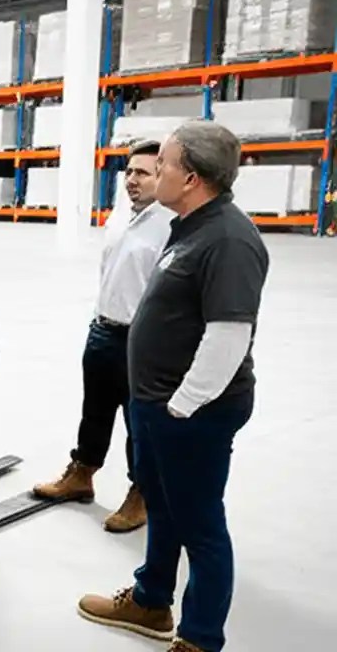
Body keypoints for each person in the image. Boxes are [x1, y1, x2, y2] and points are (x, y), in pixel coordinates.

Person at [78, 121, 269, 652]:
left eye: (161, 163)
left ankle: (200, 637)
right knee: (162, 508)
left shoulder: (229, 239)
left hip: (193, 413)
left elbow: (228, 338)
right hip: (156, 405)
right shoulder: (188, 224)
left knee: (202, 527)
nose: (151, 172)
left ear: (190, 177)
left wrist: (182, 407)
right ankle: (150, 600)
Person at [33, 140, 174, 533]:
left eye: (142, 173)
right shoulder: (120, 214)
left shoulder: (171, 224)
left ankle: (142, 493)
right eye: (128, 172)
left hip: (141, 339)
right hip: (103, 329)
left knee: (139, 422)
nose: (132, 180)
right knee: (94, 410)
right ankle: (82, 473)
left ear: (163, 176)